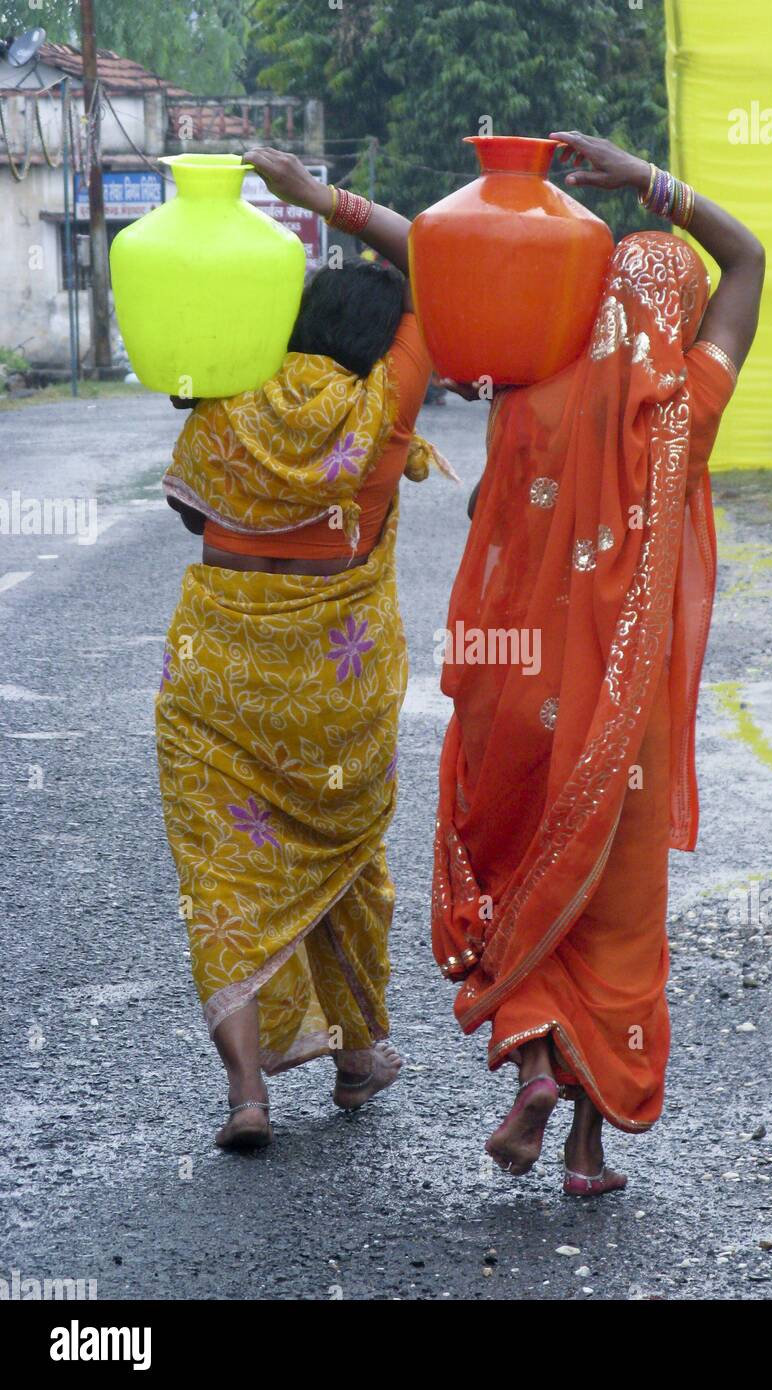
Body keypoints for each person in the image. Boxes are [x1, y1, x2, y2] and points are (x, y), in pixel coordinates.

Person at [432, 131, 765, 1194]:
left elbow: (432, 266)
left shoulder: (529, 397)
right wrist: (652, 185)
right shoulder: (687, 410)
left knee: (528, 864)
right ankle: (586, 1143)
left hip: (520, 687)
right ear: (675, 314)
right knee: (615, 916)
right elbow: (750, 259)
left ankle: (532, 1061)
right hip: (627, 724)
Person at [157, 147, 454, 1150]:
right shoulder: (386, 402)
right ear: (381, 340)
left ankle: (248, 1094)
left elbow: (181, 511)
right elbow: (433, 256)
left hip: (217, 680)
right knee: (347, 860)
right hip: (338, 687)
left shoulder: (231, 398)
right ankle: (361, 1053)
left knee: (222, 880)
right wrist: (318, 197)